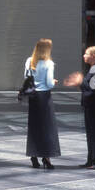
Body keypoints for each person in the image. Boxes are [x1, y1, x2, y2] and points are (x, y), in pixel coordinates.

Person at [24, 37, 60, 169]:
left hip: (33, 96)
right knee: (47, 128)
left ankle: (33, 157)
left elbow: (26, 78)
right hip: (44, 97)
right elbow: (50, 83)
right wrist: (54, 82)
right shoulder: (48, 63)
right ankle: (46, 158)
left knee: (34, 127)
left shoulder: (29, 61)